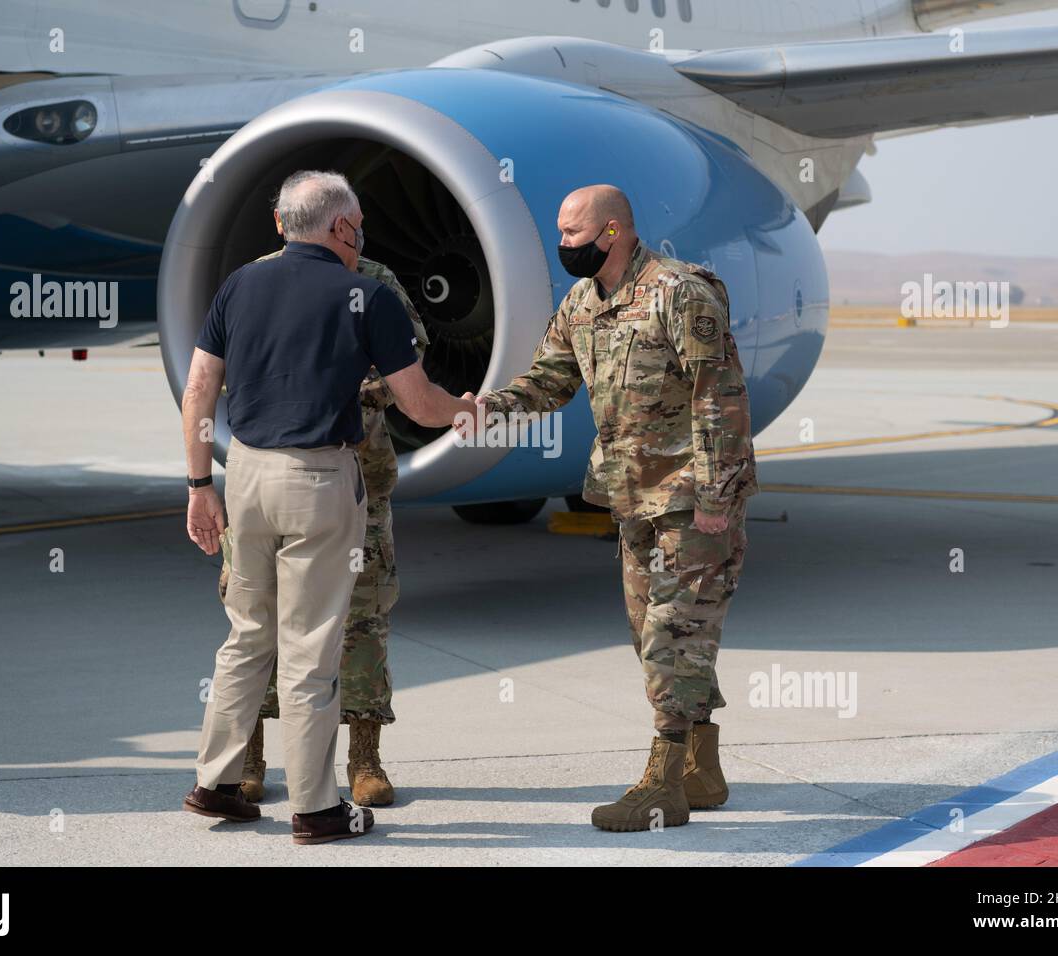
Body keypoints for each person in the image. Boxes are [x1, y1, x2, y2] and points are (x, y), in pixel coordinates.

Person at [181, 169, 472, 844]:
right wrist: (468, 409)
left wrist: (200, 486)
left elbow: (200, 391)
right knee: (311, 650)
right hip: (318, 479)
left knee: (246, 637)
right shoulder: (368, 295)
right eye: (358, 223)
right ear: (342, 228)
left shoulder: (239, 285)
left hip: (245, 476)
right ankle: (316, 808)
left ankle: (216, 782)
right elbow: (420, 404)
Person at [470, 184, 757, 832]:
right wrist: (484, 412)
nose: (562, 245)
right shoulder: (581, 303)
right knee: (658, 640)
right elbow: (549, 381)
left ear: (613, 231)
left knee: (671, 637)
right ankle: (702, 771)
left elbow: (720, 397)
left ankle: (662, 786)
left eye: (572, 234)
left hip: (691, 499)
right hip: (630, 500)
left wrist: (715, 498)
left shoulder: (680, 293)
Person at [217, 208, 429, 808]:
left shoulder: (375, 281)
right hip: (273, 471)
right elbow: (234, 371)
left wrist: (349, 387)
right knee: (257, 618)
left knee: (362, 617)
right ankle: (250, 760)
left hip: (359, 473)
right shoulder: (251, 281)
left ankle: (364, 756)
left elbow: (407, 365)